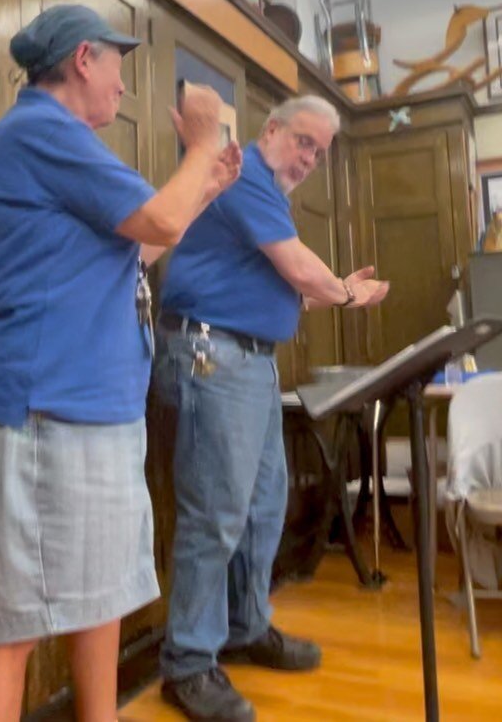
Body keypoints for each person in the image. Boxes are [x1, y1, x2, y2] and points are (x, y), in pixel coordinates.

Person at [0, 3, 242, 722]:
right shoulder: (43, 131)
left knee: (102, 597)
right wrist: (203, 146)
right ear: (84, 58)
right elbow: (159, 221)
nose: (123, 83)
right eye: (118, 63)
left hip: (90, 408)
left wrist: (205, 185)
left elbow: (138, 247)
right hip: (47, 405)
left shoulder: (61, 143)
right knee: (11, 626)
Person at [154, 95, 390, 722]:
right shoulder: (245, 175)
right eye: (303, 141)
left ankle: (244, 626)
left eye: (319, 151)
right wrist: (342, 290)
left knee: (262, 505)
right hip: (212, 356)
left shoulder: (265, 194)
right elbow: (299, 271)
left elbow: (290, 288)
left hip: (250, 360)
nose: (310, 157)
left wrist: (337, 291)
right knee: (217, 513)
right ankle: (188, 665)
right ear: (272, 130)